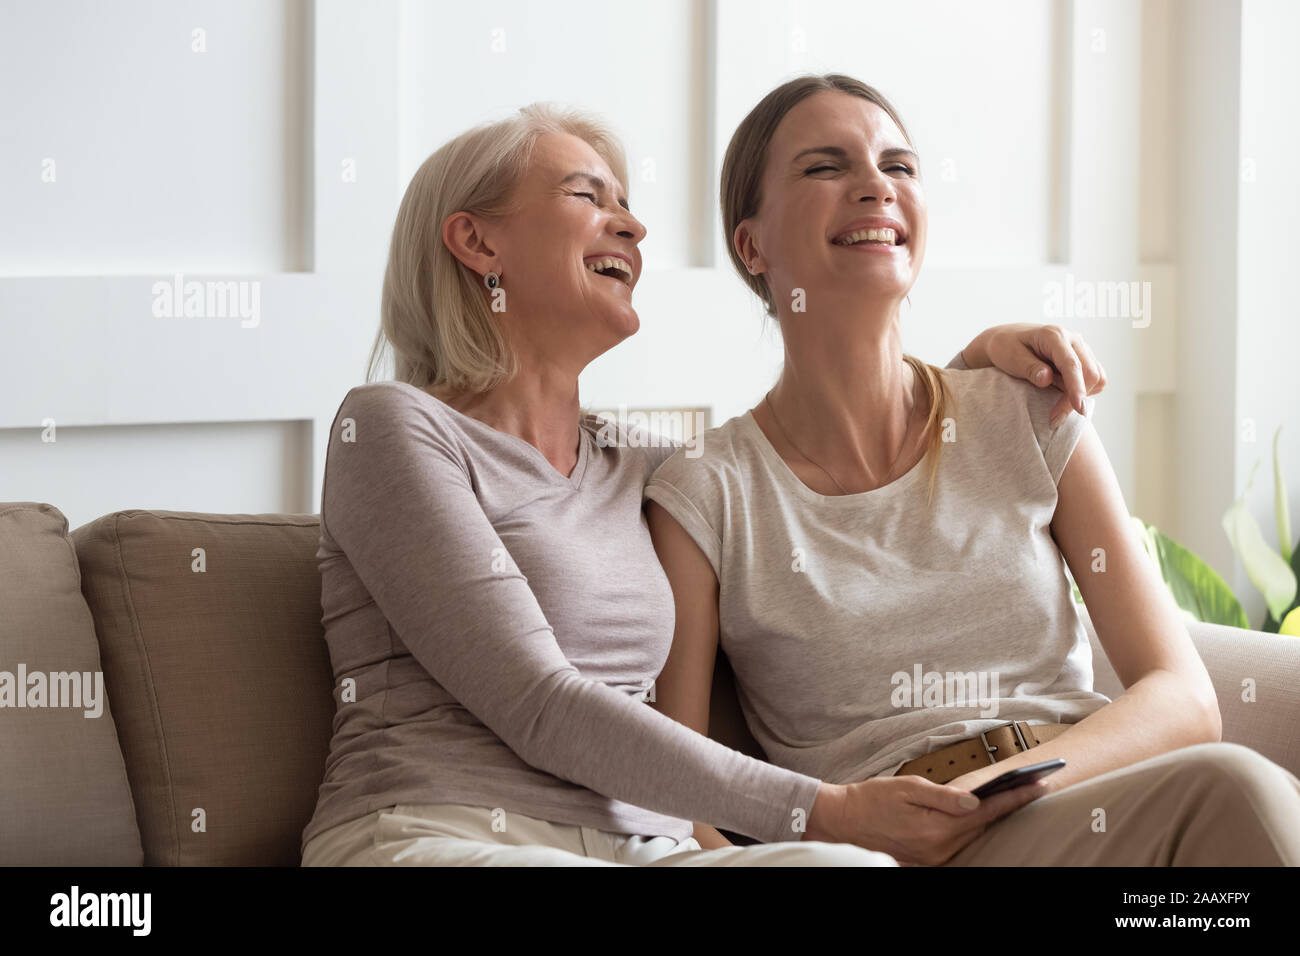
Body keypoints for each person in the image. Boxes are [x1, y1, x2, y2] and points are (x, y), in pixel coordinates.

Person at [300, 101, 1106, 867]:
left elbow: (815, 441)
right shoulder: (390, 429)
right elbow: (539, 702)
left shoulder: (648, 469)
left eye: (626, 200)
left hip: (642, 850)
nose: (633, 224)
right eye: (588, 195)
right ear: (477, 244)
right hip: (439, 831)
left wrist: (973, 370)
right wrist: (826, 810)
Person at [644, 73, 1300, 866]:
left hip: (1086, 806)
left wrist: (995, 792)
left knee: (1231, 792)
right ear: (752, 245)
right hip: (885, 849)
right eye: (825, 167)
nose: (875, 187)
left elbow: (1185, 698)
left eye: (899, 166)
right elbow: (677, 787)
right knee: (1238, 795)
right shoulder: (706, 491)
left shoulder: (1029, 412)